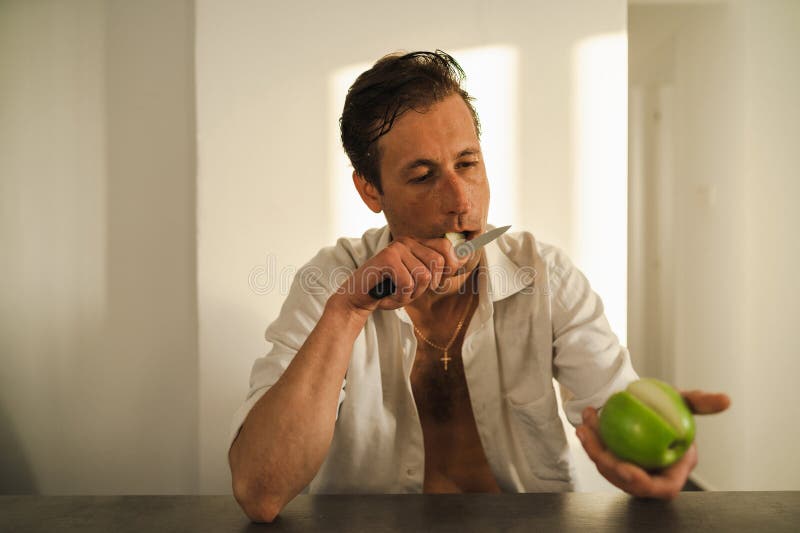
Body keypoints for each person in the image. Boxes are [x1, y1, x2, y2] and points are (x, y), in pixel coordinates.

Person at [227, 50, 730, 523]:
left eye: (467, 164)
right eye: (423, 176)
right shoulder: (331, 285)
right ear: (370, 189)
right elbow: (260, 492)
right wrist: (348, 312)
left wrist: (653, 445)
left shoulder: (546, 276)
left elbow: (613, 410)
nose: (461, 201)